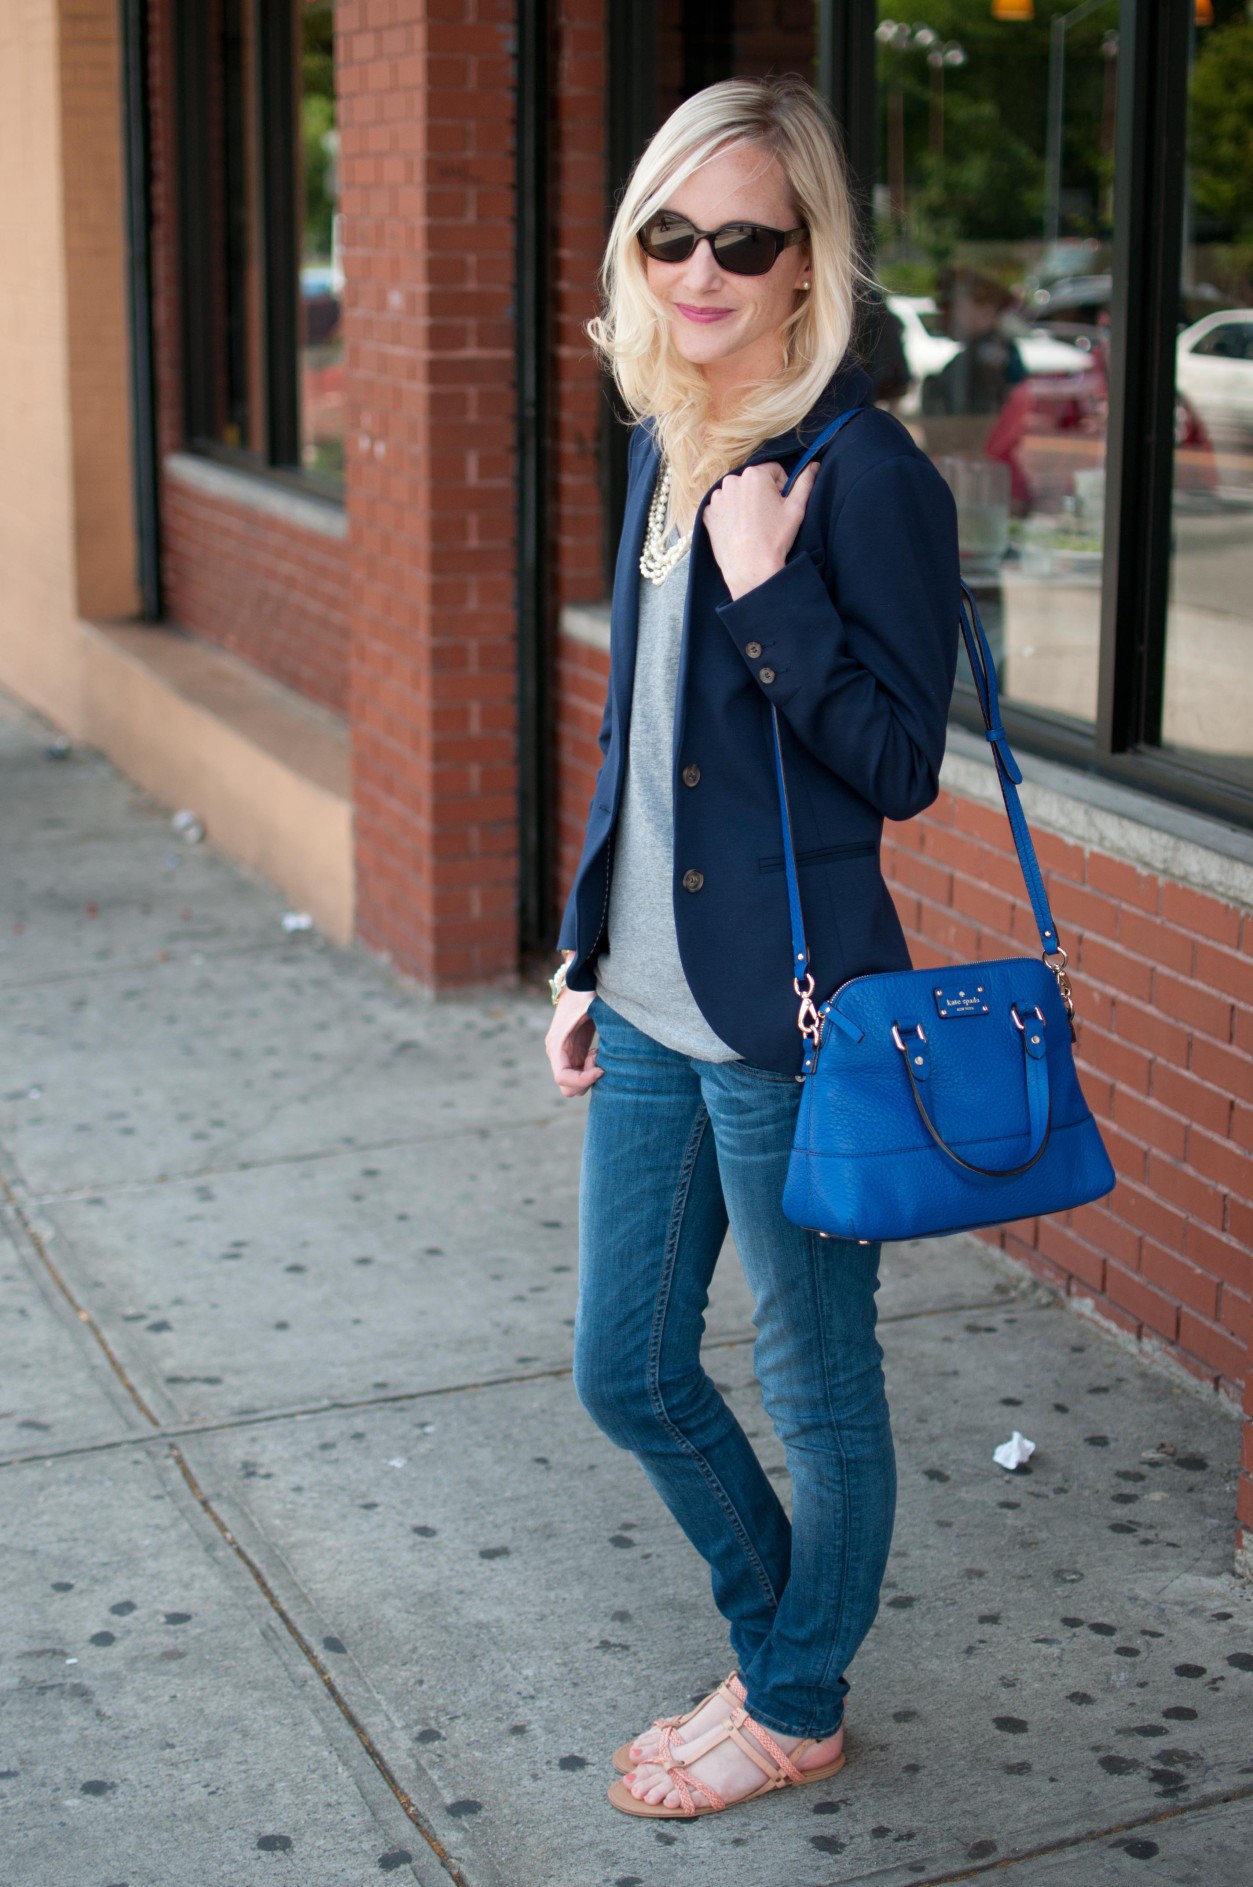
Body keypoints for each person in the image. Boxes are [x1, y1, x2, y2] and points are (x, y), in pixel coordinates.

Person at [544, 76, 959, 1822]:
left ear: (809, 267)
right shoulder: (664, 434)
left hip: (786, 1022)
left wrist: (771, 590)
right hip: (647, 1002)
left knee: (812, 1377)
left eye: (742, 240)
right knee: (625, 1371)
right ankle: (779, 1644)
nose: (697, 268)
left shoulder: (863, 476)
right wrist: (580, 951)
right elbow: (642, 749)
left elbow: (897, 769)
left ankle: (789, 1697)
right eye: (669, 230)